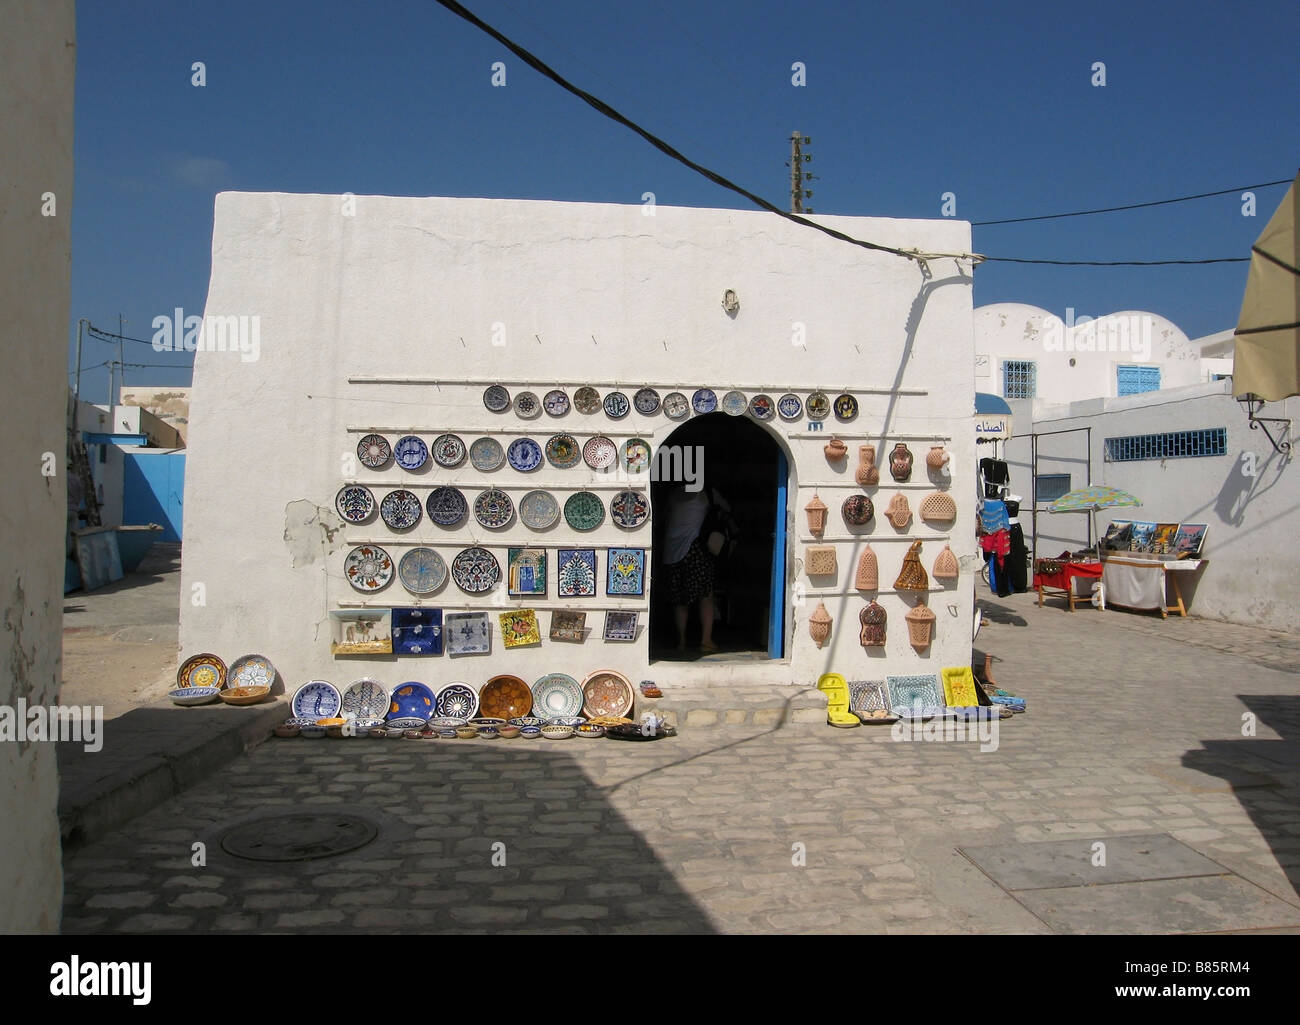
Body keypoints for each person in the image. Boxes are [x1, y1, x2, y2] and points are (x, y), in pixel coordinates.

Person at [662, 482, 732, 652]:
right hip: (696, 549)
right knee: (706, 596)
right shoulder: (708, 491)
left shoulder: (673, 494)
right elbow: (728, 510)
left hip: (671, 551)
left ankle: (681, 642)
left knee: (680, 600)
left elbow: (664, 517)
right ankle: (706, 641)